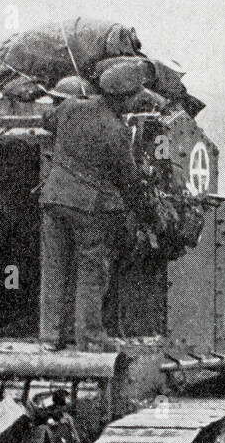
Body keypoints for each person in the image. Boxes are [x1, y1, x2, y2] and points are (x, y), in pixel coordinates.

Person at [37, 61, 160, 349]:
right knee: (91, 271)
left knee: (54, 268)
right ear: (125, 97)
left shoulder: (70, 108)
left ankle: (50, 338)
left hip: (54, 200)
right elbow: (128, 182)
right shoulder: (116, 131)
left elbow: (47, 120)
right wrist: (147, 215)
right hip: (87, 209)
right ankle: (89, 337)